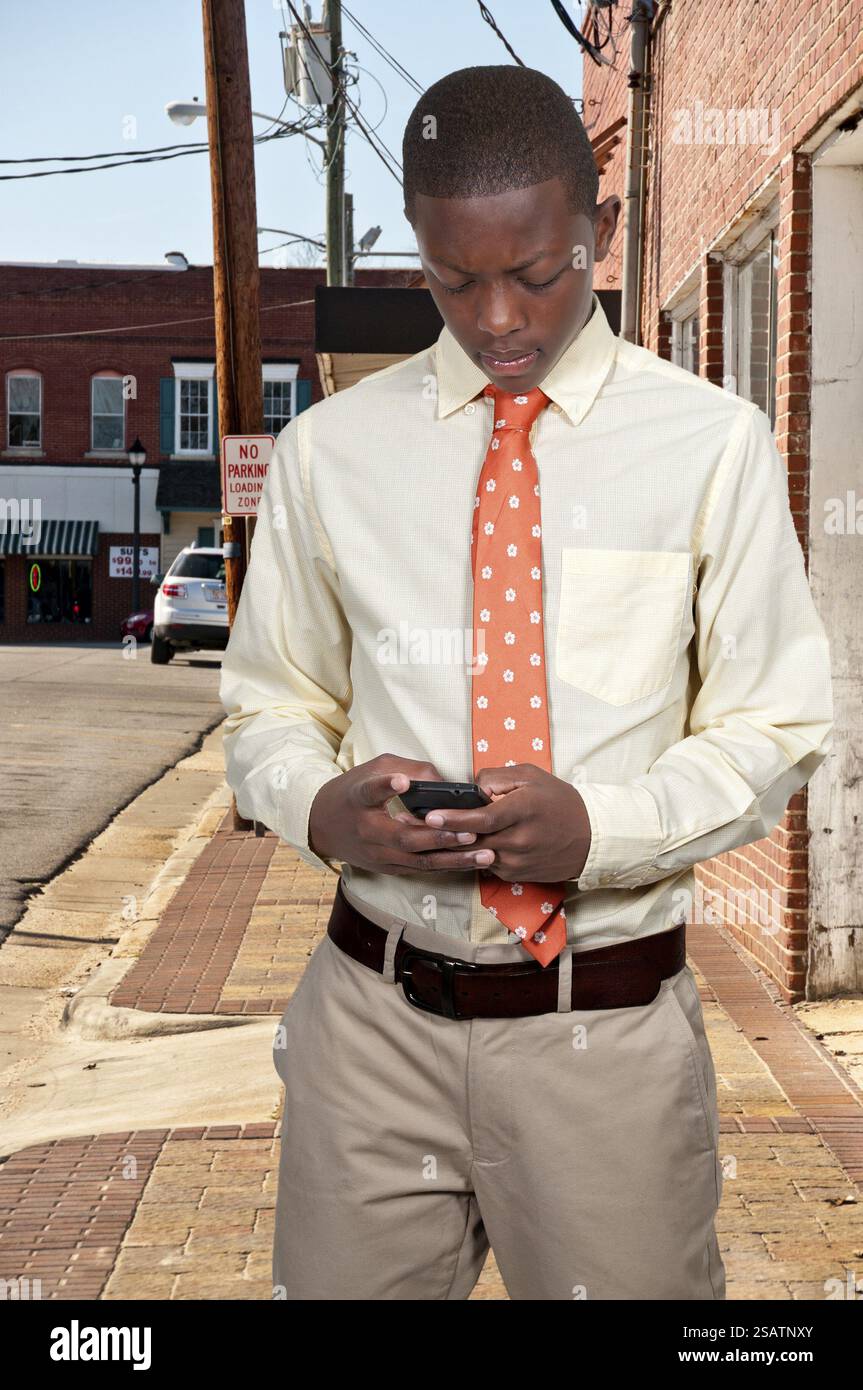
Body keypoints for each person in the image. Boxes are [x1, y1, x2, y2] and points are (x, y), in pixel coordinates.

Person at [219, 64, 833, 1301]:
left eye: (537, 274)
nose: (497, 316)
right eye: (455, 280)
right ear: (420, 254)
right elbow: (269, 704)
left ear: (596, 233)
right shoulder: (328, 454)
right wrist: (322, 806)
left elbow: (771, 726)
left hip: (600, 1039)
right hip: (369, 1025)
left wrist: (596, 828)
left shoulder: (710, 445)